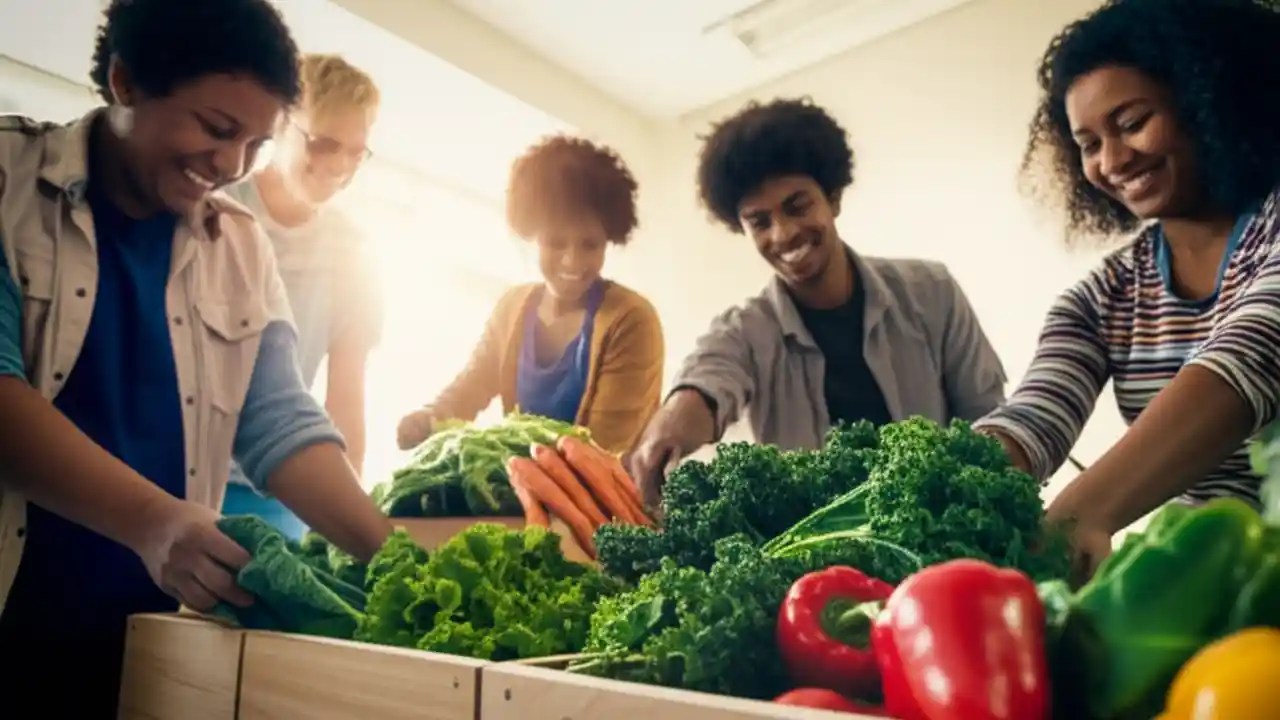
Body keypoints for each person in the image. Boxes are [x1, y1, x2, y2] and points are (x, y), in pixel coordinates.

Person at [0, 0, 392, 712]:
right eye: (216, 129)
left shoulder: (239, 246)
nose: (231, 165)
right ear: (126, 82)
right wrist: (156, 523)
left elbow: (278, 421)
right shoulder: (6, 179)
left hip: (151, 635)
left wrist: (391, 557)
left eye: (255, 144)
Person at [973, 0, 1280, 579]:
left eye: (1133, 122)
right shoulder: (1099, 300)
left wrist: (1083, 511)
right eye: (1088, 144)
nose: (1112, 161)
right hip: (1216, 577)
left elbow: (1253, 354)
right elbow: (1035, 415)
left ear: (1202, 102)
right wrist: (960, 476)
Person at [627, 98, 1006, 501]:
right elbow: (708, 379)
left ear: (833, 198)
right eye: (760, 222)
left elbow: (985, 417)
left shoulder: (932, 291)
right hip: (822, 559)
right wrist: (670, 423)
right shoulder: (745, 332)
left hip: (944, 531)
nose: (783, 233)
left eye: (798, 206)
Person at [397, 135, 664, 456]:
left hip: (603, 500)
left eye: (590, 245)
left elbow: (602, 449)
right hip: (528, 490)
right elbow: (473, 384)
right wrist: (430, 419)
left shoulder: (631, 320)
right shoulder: (512, 307)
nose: (572, 262)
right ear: (532, 235)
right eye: (555, 243)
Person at [222, 53, 383, 540]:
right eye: (324, 143)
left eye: (356, 153)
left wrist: (342, 529)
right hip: (184, 469)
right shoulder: (217, 209)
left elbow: (345, 404)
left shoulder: (353, 254)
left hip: (284, 488)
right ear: (280, 124)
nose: (339, 166)